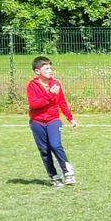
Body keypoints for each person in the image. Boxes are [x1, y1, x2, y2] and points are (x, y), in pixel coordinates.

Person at [26, 56, 79, 187]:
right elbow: (34, 105)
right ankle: (54, 176)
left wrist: (70, 118)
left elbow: (62, 101)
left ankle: (68, 173)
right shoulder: (32, 85)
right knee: (44, 150)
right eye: (47, 68)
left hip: (53, 120)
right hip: (37, 122)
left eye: (51, 68)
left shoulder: (56, 83)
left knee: (55, 145)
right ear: (37, 71)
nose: (50, 71)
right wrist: (50, 95)